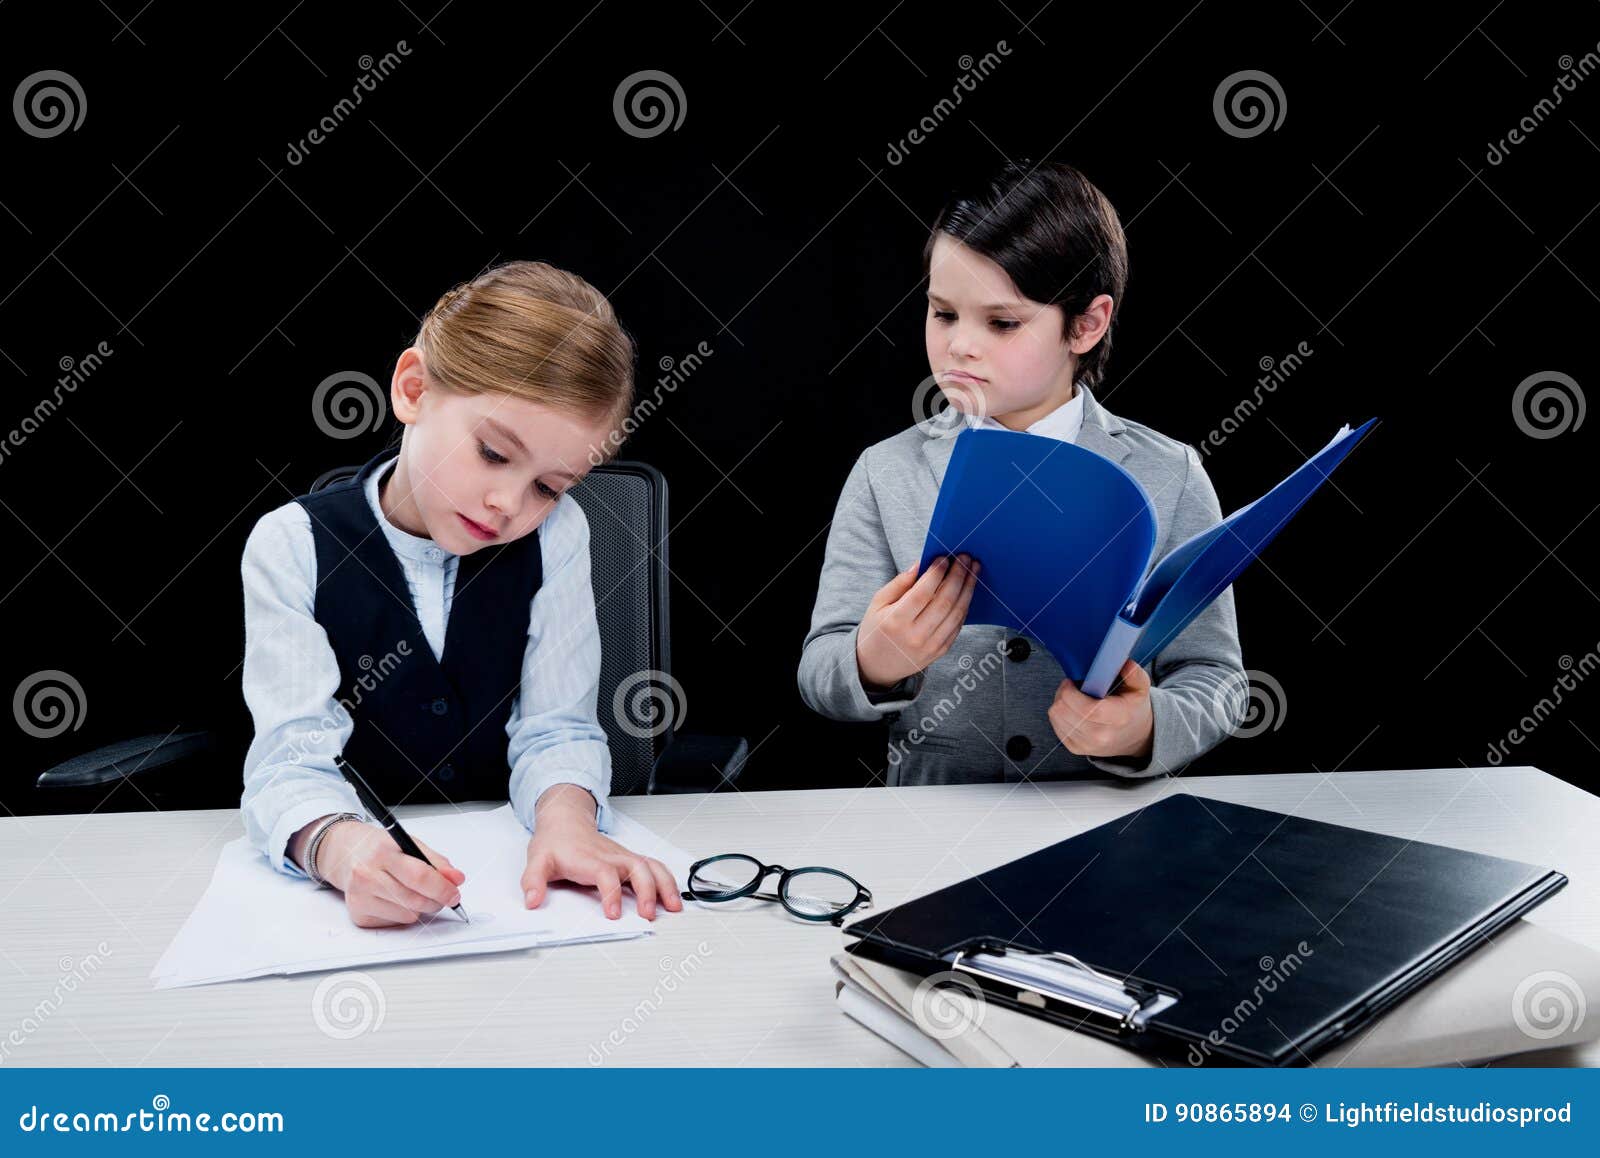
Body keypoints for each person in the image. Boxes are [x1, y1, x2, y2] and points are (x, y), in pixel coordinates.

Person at [240, 260, 681, 927]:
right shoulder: (291, 544)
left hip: (505, 890)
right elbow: (290, 758)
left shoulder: (559, 536)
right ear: (414, 389)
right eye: (495, 454)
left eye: (549, 486)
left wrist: (567, 823)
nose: (509, 503)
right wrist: (339, 845)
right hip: (353, 914)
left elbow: (554, 727)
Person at [798, 161, 1247, 784]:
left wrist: (1146, 727)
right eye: (943, 313)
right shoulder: (885, 472)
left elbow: (1217, 678)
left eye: (1002, 322)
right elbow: (819, 670)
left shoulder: (1170, 474)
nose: (959, 345)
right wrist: (874, 661)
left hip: (1108, 827)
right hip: (933, 827)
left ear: (1086, 325)